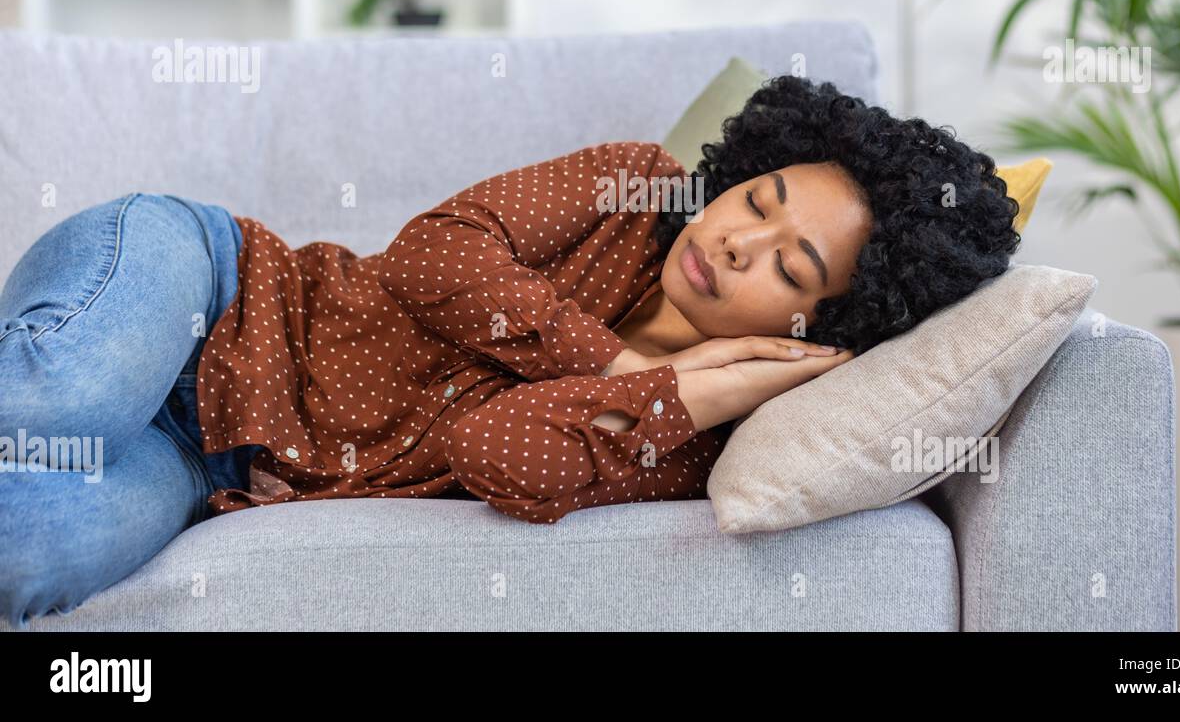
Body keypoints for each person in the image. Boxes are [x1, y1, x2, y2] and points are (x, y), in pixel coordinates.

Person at [0, 75, 1020, 628]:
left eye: (789, 269)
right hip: (211, 286)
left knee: (33, 543)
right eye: (756, 200)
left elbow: (497, 455)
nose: (734, 240)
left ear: (815, 330)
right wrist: (613, 364)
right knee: (60, 397)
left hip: (201, 465)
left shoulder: (689, 434)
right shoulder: (639, 183)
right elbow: (432, 255)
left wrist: (664, 394)